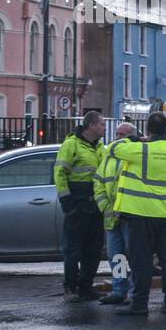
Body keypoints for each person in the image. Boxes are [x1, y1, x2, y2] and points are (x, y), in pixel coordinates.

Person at [110, 112, 166, 316]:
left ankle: (139, 304)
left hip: (142, 214)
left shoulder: (139, 149)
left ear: (147, 130)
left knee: (141, 260)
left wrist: (134, 138)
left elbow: (113, 149)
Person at [54, 110, 105, 302]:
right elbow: (60, 174)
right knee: (74, 249)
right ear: (91, 125)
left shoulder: (100, 147)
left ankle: (86, 287)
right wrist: (68, 203)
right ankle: (71, 287)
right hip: (78, 201)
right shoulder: (71, 145)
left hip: (96, 203)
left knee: (93, 249)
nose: (104, 128)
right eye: (101, 124)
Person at [93, 121, 135, 305]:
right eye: (117, 133)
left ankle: (133, 293)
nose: (119, 137)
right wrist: (104, 206)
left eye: (123, 134)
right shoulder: (109, 156)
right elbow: (99, 182)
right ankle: (120, 290)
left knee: (133, 257)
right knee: (117, 257)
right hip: (113, 216)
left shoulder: (134, 154)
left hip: (129, 215)